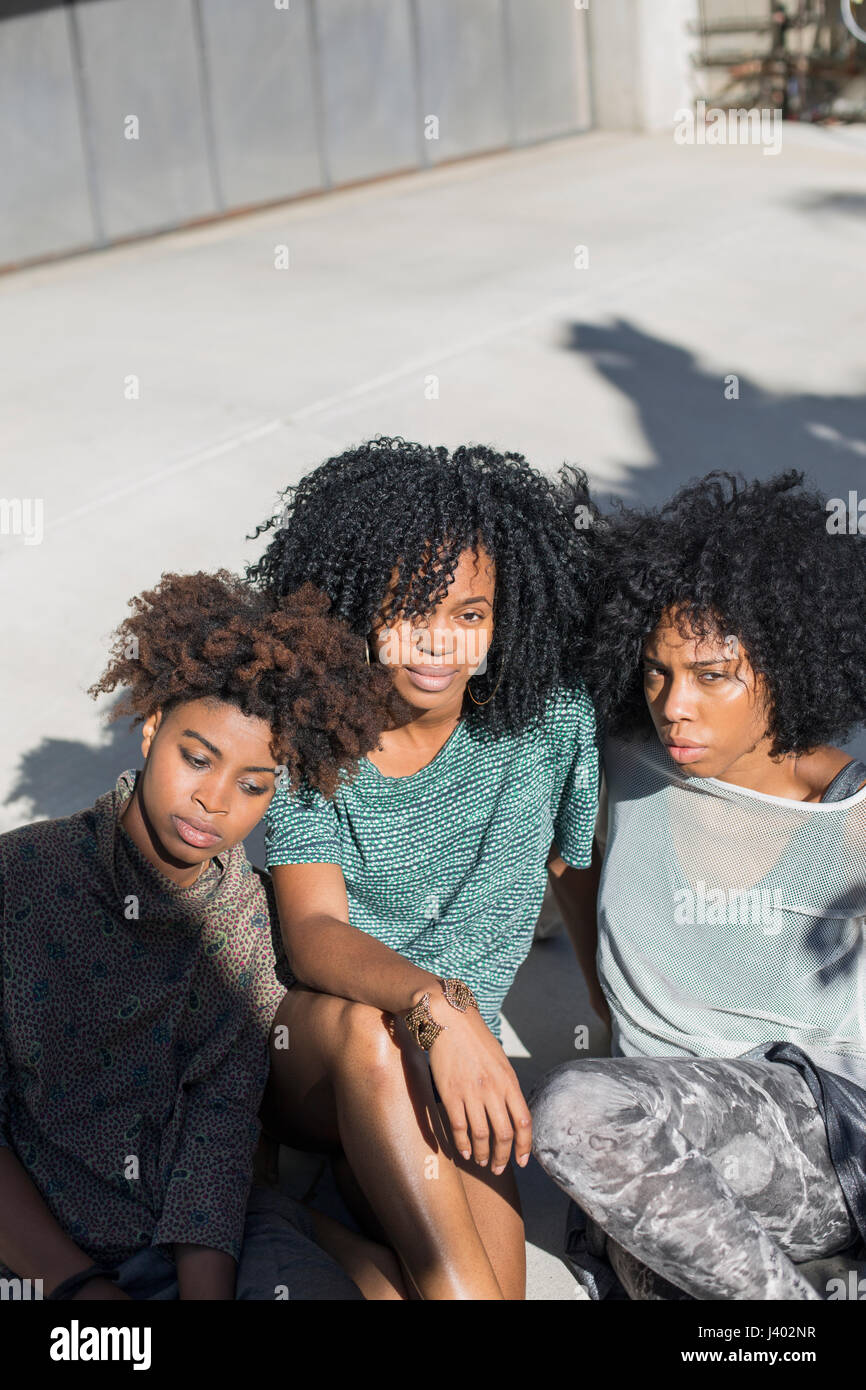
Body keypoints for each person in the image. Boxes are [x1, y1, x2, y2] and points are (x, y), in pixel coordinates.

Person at [245, 436, 602, 1299]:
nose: (440, 642)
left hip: (448, 1057)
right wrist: (434, 1005)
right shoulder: (318, 731)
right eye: (409, 609)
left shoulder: (551, 725)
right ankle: (277, 1199)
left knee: (487, 1291)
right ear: (356, 608)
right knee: (373, 1040)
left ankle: (283, 1221)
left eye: (471, 615)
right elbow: (314, 929)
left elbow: (574, 876)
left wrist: (621, 1034)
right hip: (327, 1045)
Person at [0, 570, 404, 1300]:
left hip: (202, 1242)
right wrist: (79, 1290)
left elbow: (217, 1131)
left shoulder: (249, 918)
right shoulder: (21, 876)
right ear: (152, 730)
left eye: (254, 785)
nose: (215, 802)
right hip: (36, 1254)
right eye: (197, 757)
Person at [530, 471, 866, 1301]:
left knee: (576, 1110)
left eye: (714, 675)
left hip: (823, 1139)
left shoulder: (853, 810)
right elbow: (570, 866)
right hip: (658, 1147)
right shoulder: (626, 760)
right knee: (660, 1259)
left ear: (787, 667)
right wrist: (614, 999)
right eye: (655, 673)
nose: (674, 705)